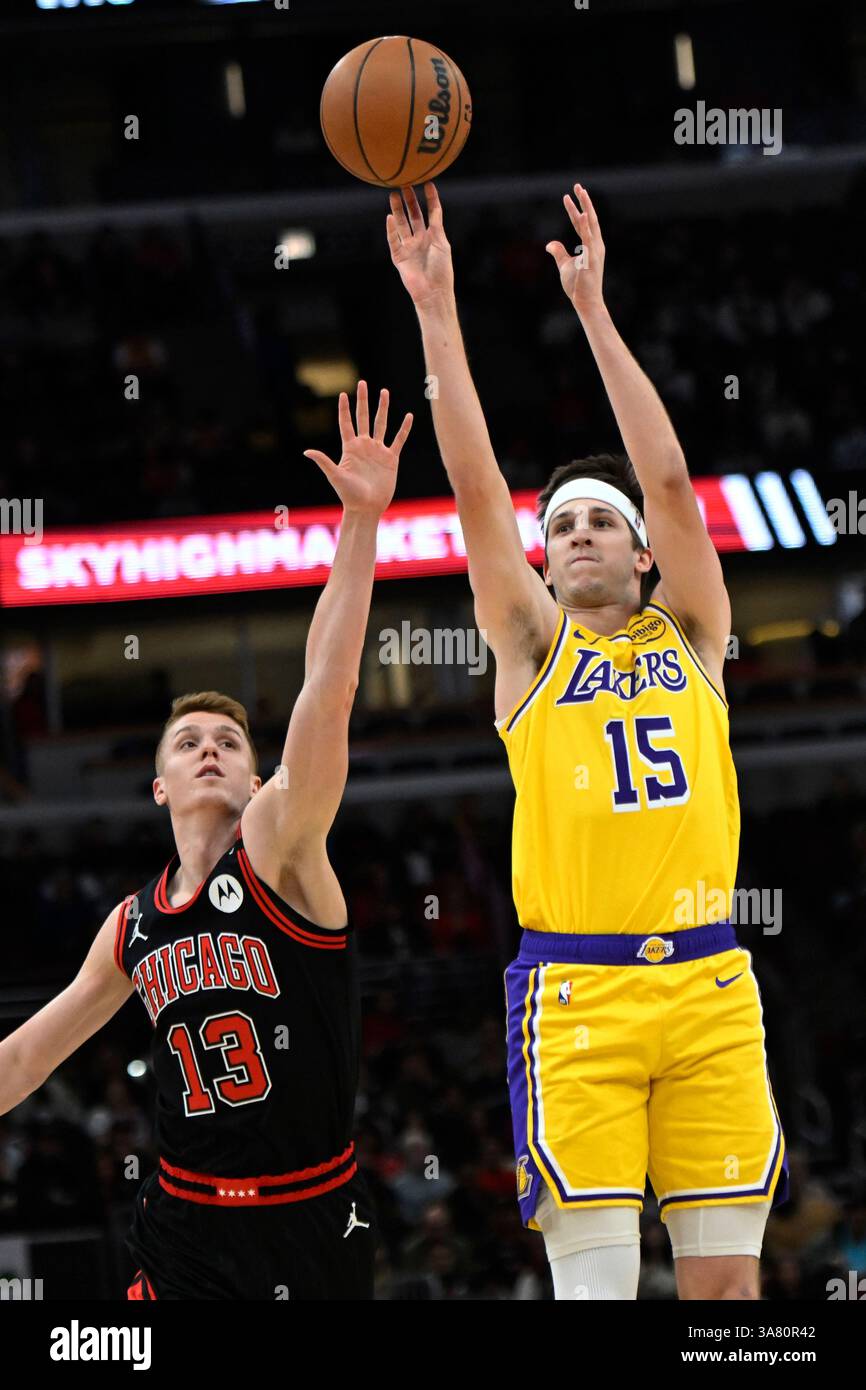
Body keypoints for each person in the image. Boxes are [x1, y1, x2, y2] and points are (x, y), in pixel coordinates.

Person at [387, 181, 788, 1301]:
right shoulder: (527, 645)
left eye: (595, 522)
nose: (574, 535)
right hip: (577, 996)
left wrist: (592, 310)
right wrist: (435, 307)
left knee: (725, 1306)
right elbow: (474, 490)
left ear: (642, 554)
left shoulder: (695, 630)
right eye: (557, 525)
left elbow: (663, 477)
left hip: (710, 986)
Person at [0, 383, 413, 1300]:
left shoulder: (283, 851)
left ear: (258, 781)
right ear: (160, 787)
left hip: (307, 1219)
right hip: (182, 1227)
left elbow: (328, 690)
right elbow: (27, 1057)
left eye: (230, 742)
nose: (211, 751)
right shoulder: (132, 926)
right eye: (188, 744)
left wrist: (360, 526)